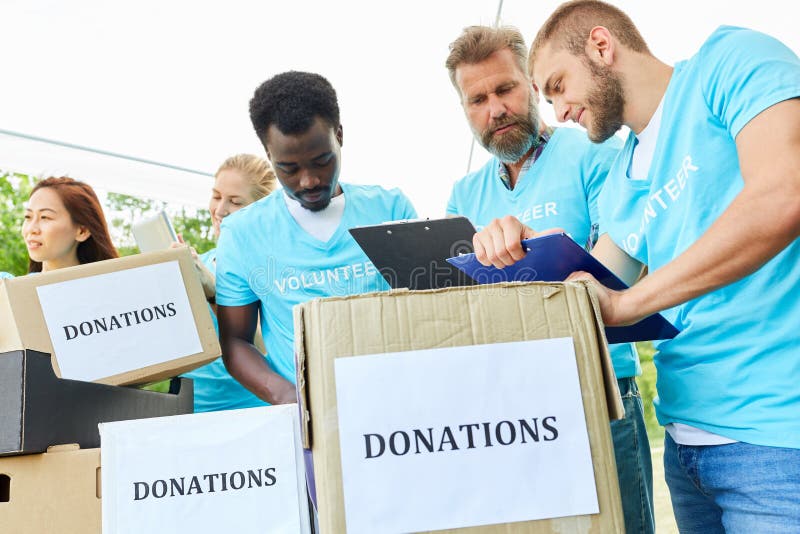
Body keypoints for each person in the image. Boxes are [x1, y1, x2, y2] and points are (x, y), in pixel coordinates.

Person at [475, 1, 800, 531]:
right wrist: (524, 249)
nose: (558, 114)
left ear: (602, 47)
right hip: (686, 447)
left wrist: (628, 305)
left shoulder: (730, 61)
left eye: (558, 86)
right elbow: (588, 294)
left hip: (775, 440)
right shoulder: (625, 177)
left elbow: (785, 193)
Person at [445, 25, 653, 534]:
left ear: (532, 86)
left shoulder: (597, 155)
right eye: (477, 98)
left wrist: (537, 247)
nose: (495, 109)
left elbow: (626, 275)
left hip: (601, 390)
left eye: (505, 89)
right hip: (505, 404)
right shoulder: (462, 197)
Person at [215, 71, 417, 405]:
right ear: (268, 154)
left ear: (339, 135)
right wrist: (287, 397)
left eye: (322, 161)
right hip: (306, 422)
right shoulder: (242, 234)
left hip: (396, 405)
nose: (308, 181)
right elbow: (236, 342)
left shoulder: (390, 208)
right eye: (288, 169)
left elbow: (426, 312)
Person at [180, 154, 278, 413]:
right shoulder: (199, 262)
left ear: (261, 209)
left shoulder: (273, 268)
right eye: (216, 196)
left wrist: (213, 291)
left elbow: (267, 350)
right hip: (189, 412)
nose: (219, 209)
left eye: (234, 201)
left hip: (250, 413)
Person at [22, 176, 118, 273]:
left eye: (45, 217)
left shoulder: (111, 285)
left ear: (82, 231)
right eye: (28, 217)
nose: (31, 229)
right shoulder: (13, 286)